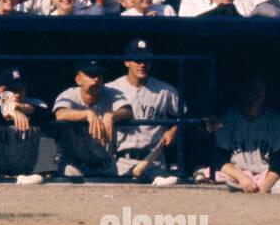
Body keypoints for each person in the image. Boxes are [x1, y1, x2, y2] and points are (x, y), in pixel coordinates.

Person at [107, 38, 183, 183]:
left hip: (155, 162)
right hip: (122, 162)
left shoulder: (165, 90)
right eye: (137, 60)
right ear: (127, 62)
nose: (142, 64)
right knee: (125, 206)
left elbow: (185, 116)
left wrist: (174, 130)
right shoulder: (111, 89)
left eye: (146, 60)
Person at [209, 75, 280, 193]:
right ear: (242, 91)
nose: (257, 94)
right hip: (235, 176)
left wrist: (265, 186)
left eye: (261, 89)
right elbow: (219, 159)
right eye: (252, 89)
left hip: (267, 175)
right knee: (217, 192)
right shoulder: (228, 118)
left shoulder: (275, 119)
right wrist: (242, 178)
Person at [52, 59, 131, 181]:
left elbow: (128, 111)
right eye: (91, 75)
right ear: (78, 79)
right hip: (74, 168)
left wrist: (111, 115)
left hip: (105, 166)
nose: (96, 79)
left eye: (99, 75)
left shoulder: (110, 93)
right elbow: (60, 114)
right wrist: (87, 114)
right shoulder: (69, 95)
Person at [0, 66, 56, 184]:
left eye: (20, 89)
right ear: (0, 91)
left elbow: (48, 115)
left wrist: (20, 107)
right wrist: (9, 110)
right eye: (12, 90)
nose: (17, 94)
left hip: (26, 174)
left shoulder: (36, 103)